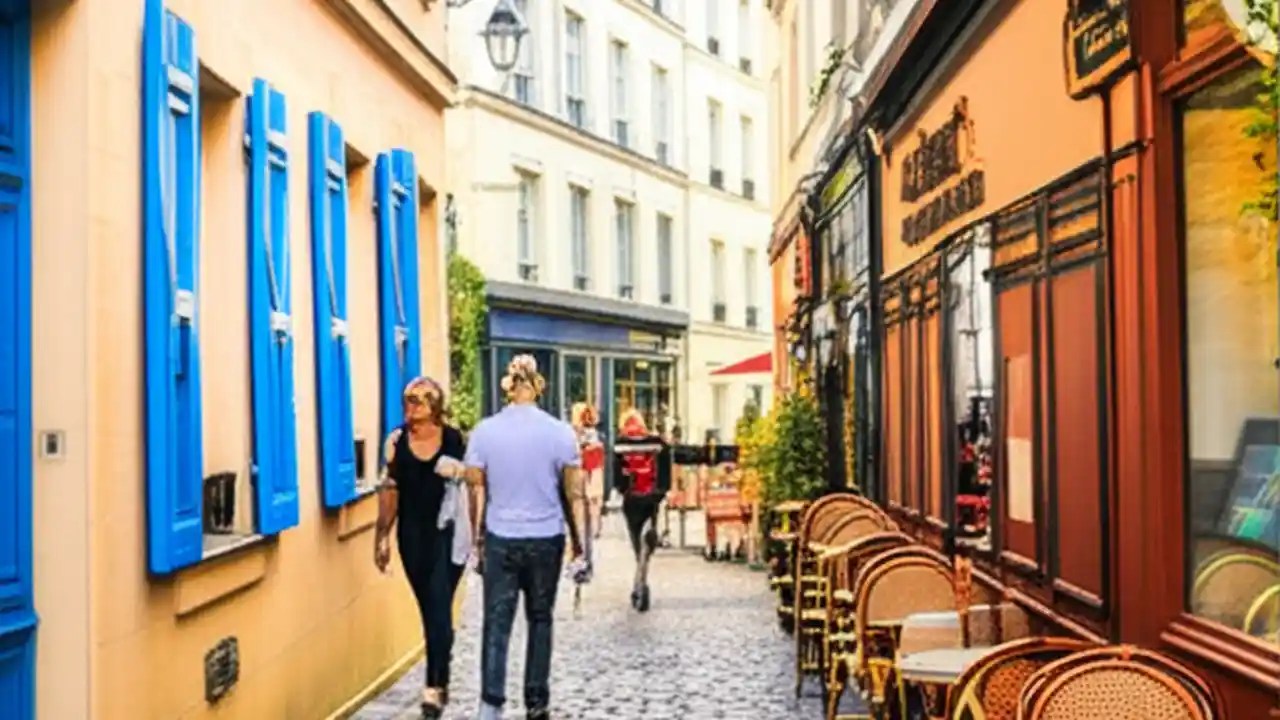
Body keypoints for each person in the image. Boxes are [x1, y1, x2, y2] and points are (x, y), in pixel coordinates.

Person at [464, 355, 583, 720]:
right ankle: (536, 700)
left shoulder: (485, 432)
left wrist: (477, 540)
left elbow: (475, 491)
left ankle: (491, 702)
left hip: (502, 535)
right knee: (540, 618)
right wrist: (580, 548)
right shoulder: (560, 432)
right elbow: (574, 492)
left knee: (497, 621)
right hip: (546, 535)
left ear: (508, 387)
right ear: (538, 387)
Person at [373, 377, 469, 720]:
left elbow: (472, 482)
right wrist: (381, 535)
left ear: (435, 405)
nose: (411, 405)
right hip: (413, 535)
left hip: (448, 530)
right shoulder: (396, 441)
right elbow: (390, 489)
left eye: (418, 399)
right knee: (431, 607)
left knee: (439, 601)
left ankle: (433, 685)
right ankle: (440, 671)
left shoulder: (454, 438)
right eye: (407, 399)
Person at [613, 409, 671, 612]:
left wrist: (622, 488)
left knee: (636, 541)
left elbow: (615, 474)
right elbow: (666, 465)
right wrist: (661, 490)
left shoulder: (620, 442)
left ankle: (640, 581)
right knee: (647, 531)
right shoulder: (656, 441)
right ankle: (641, 578)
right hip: (651, 495)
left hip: (631, 497)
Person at [571, 402, 606, 540]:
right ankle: (594, 526)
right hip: (593, 466)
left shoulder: (576, 433)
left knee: (585, 498)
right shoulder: (594, 434)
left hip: (585, 467)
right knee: (593, 498)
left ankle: (586, 526)